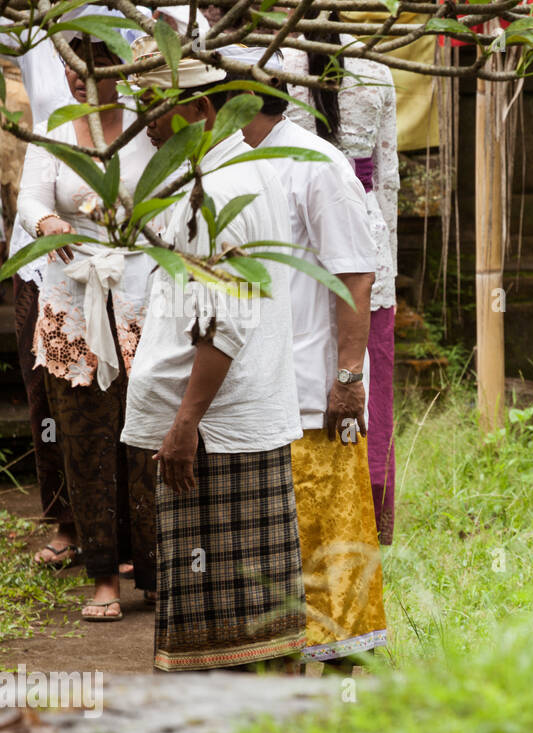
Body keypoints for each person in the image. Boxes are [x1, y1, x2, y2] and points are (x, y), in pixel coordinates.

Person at [121, 38, 306, 671]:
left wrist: (184, 424)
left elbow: (224, 324)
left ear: (198, 108)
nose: (145, 121)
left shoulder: (222, 187)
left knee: (229, 627)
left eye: (155, 104)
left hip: (217, 431)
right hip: (229, 422)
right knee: (245, 616)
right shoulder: (238, 170)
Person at [233, 49, 388, 664]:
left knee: (330, 525)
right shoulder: (233, 165)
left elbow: (355, 275)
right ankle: (284, 652)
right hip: (252, 384)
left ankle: (350, 658)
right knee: (275, 533)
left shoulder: (316, 164)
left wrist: (348, 378)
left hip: (310, 381)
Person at [16, 36, 157, 619]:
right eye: (72, 69)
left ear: (119, 72)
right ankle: (103, 576)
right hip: (71, 299)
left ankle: (151, 569)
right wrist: (53, 221)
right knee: (82, 436)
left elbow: (173, 203)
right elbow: (28, 199)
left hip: (140, 299)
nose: (79, 79)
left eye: (92, 69)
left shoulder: (150, 132)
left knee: (144, 436)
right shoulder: (53, 128)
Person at [282, 14, 401, 545]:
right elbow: (388, 175)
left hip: (290, 244)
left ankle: (296, 519)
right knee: (364, 383)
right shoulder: (378, 62)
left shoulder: (268, 61)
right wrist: (385, 265)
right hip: (365, 246)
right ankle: (363, 522)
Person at [2, 17, 78, 566]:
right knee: (47, 393)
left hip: (121, 250)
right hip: (41, 246)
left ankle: (123, 529)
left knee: (121, 397)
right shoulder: (37, 23)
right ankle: (66, 520)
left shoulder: (147, 26)